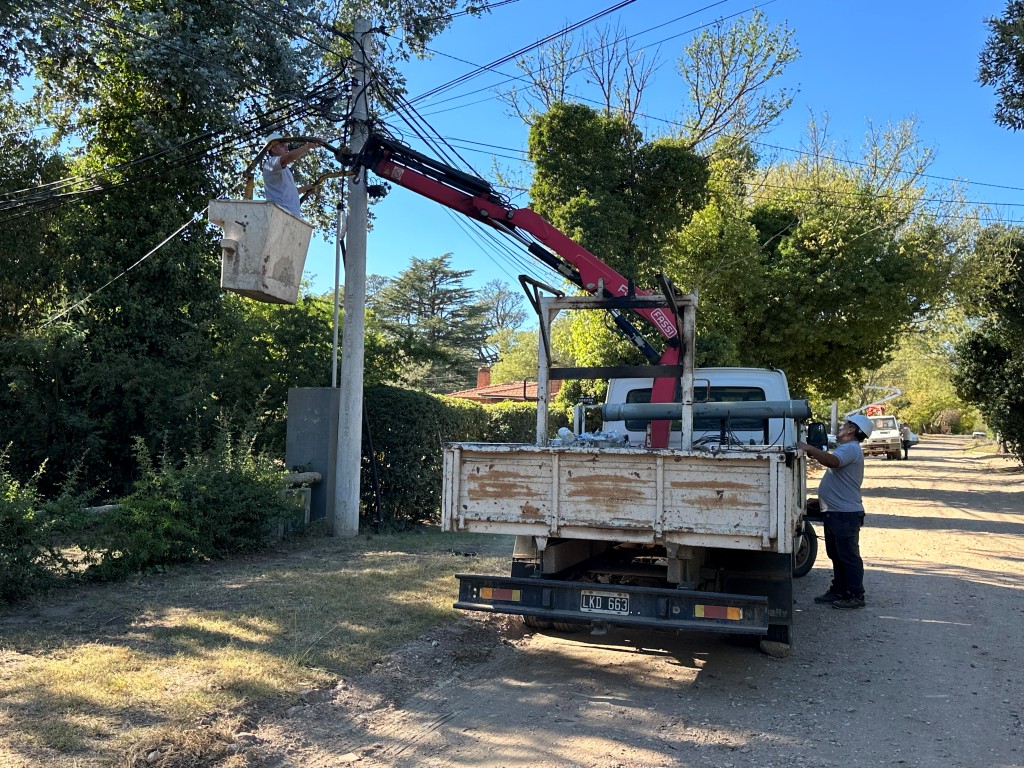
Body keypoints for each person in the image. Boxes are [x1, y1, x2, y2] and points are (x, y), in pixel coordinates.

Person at [798, 414, 874, 610]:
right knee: (836, 554)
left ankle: (856, 594)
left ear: (852, 430)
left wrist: (809, 449)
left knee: (847, 555)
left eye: (845, 425)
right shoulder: (848, 448)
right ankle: (839, 590)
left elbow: (833, 462)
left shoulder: (850, 448)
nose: (841, 427)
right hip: (835, 512)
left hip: (844, 514)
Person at [261, 133, 318, 217]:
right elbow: (287, 158)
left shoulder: (284, 170)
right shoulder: (270, 164)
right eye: (282, 146)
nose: (286, 147)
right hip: (280, 215)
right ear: (273, 149)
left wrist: (306, 188)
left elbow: (288, 193)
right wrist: (307, 146)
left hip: (290, 217)